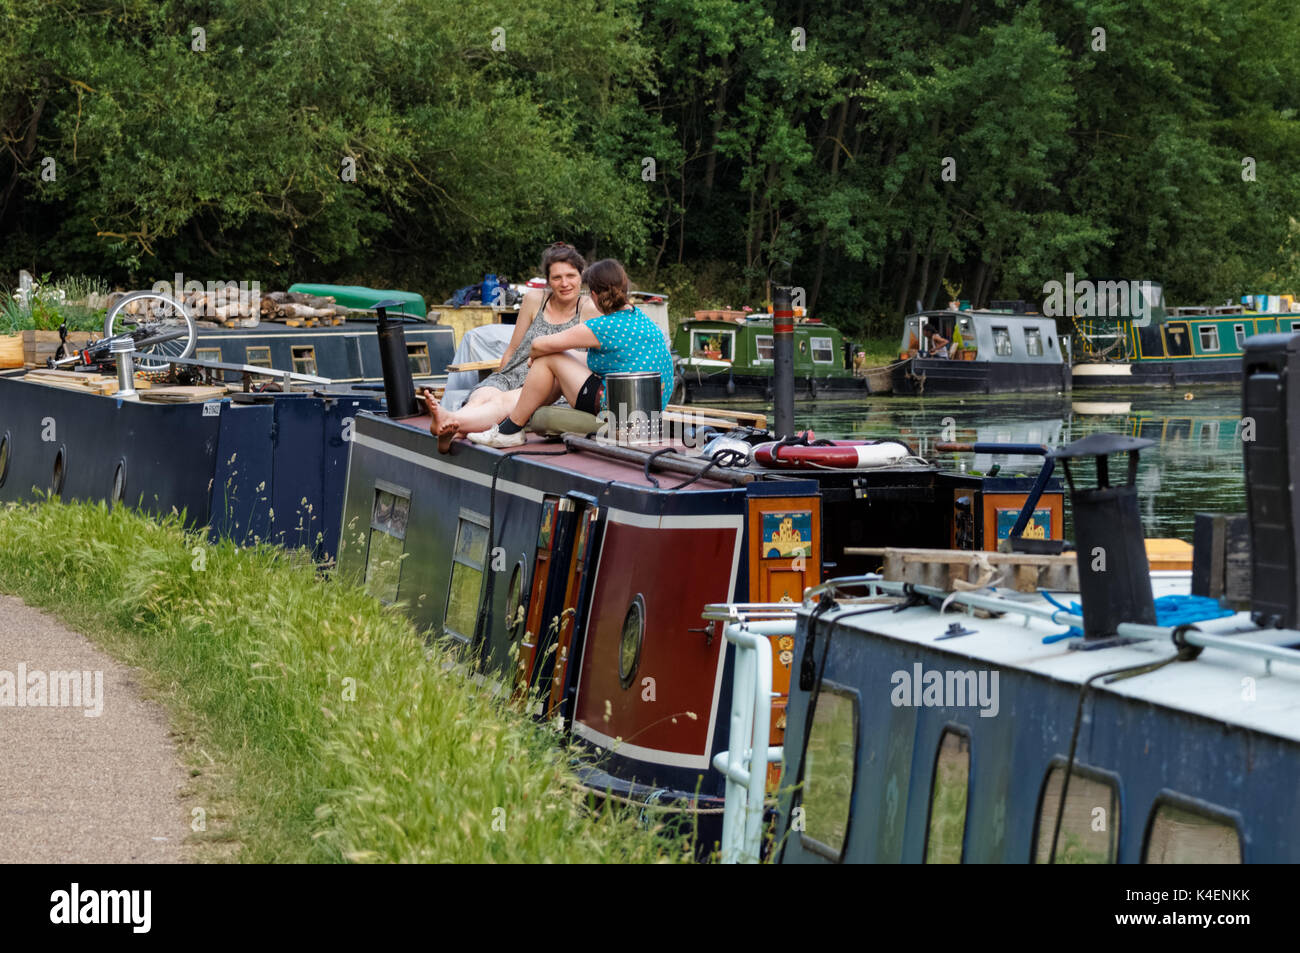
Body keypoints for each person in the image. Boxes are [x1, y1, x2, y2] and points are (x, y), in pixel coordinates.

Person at [466, 258, 674, 448]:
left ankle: (511, 428)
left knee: (549, 358)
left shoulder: (602, 326)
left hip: (617, 413)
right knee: (559, 355)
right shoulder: (645, 321)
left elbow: (539, 345)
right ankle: (515, 422)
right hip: (649, 413)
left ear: (593, 295)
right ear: (625, 289)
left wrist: (534, 358)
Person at [423, 242, 600, 451]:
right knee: (483, 395)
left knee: (501, 402)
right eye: (557, 278)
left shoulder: (590, 309)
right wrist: (499, 377)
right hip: (514, 372)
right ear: (548, 281)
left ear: (581, 276)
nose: (565, 283)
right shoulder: (535, 300)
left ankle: (451, 422)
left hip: (549, 385)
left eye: (571, 276)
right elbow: (513, 349)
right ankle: (452, 427)